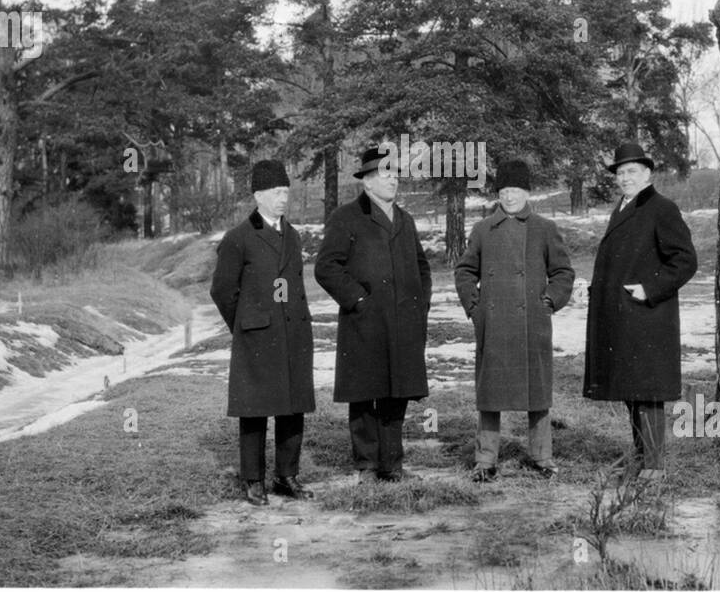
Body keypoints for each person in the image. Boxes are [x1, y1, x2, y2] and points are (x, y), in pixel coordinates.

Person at [315, 146, 432, 482]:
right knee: (365, 395)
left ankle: (393, 465)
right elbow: (326, 267)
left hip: (404, 323)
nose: (393, 179)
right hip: (365, 322)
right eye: (384, 173)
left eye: (395, 173)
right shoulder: (346, 217)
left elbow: (423, 268)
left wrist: (420, 303)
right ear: (366, 181)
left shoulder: (405, 220)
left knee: (398, 394)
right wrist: (358, 301)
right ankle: (367, 465)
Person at [454, 159, 574, 482]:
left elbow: (563, 272)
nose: (510, 197)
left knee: (537, 395)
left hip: (531, 323)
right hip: (493, 323)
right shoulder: (482, 230)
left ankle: (542, 457)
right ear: (497, 194)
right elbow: (465, 271)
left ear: (527, 192)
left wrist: (548, 301)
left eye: (516, 190)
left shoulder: (544, 229)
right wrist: (475, 307)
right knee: (490, 395)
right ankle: (485, 460)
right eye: (504, 191)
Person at [584, 142, 697, 482]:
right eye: (619, 172)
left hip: (648, 315)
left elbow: (686, 260)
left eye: (631, 171)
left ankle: (653, 465)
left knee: (648, 392)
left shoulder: (662, 208)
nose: (624, 178)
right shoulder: (622, 207)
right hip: (623, 316)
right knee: (632, 390)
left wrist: (650, 287)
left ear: (648, 173)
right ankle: (639, 456)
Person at [210, 159, 316, 506]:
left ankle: (287, 476)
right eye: (275, 192)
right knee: (254, 410)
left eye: (286, 191)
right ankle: (253, 480)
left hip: (294, 335)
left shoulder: (293, 235)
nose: (283, 198)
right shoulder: (238, 238)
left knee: (292, 408)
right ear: (257, 195)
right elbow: (223, 291)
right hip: (256, 338)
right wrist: (245, 325)